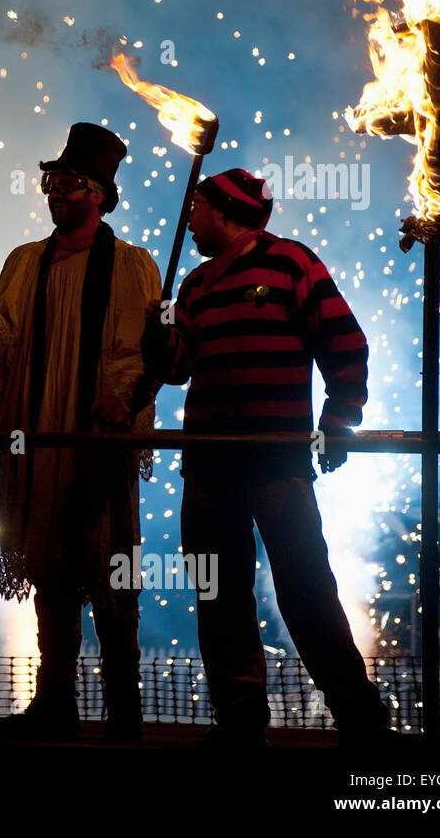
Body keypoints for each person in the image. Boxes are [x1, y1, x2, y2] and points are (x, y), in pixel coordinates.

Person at [140, 167, 392, 746]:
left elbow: (345, 341)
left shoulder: (290, 263)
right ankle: (240, 719)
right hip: (209, 466)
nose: (190, 218)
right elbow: (176, 369)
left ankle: (361, 719)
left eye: (197, 207)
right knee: (218, 593)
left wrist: (339, 419)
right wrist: (160, 327)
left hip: (278, 463)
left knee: (305, 589)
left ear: (225, 212)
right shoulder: (196, 287)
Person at [0, 123, 160, 743]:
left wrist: (124, 398)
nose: (58, 193)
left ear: (101, 194)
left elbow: (143, 350)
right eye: (52, 181)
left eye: (73, 183)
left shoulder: (132, 265)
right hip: (36, 439)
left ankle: (123, 709)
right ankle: (55, 700)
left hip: (100, 441)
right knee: (49, 569)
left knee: (110, 570)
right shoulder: (24, 263)